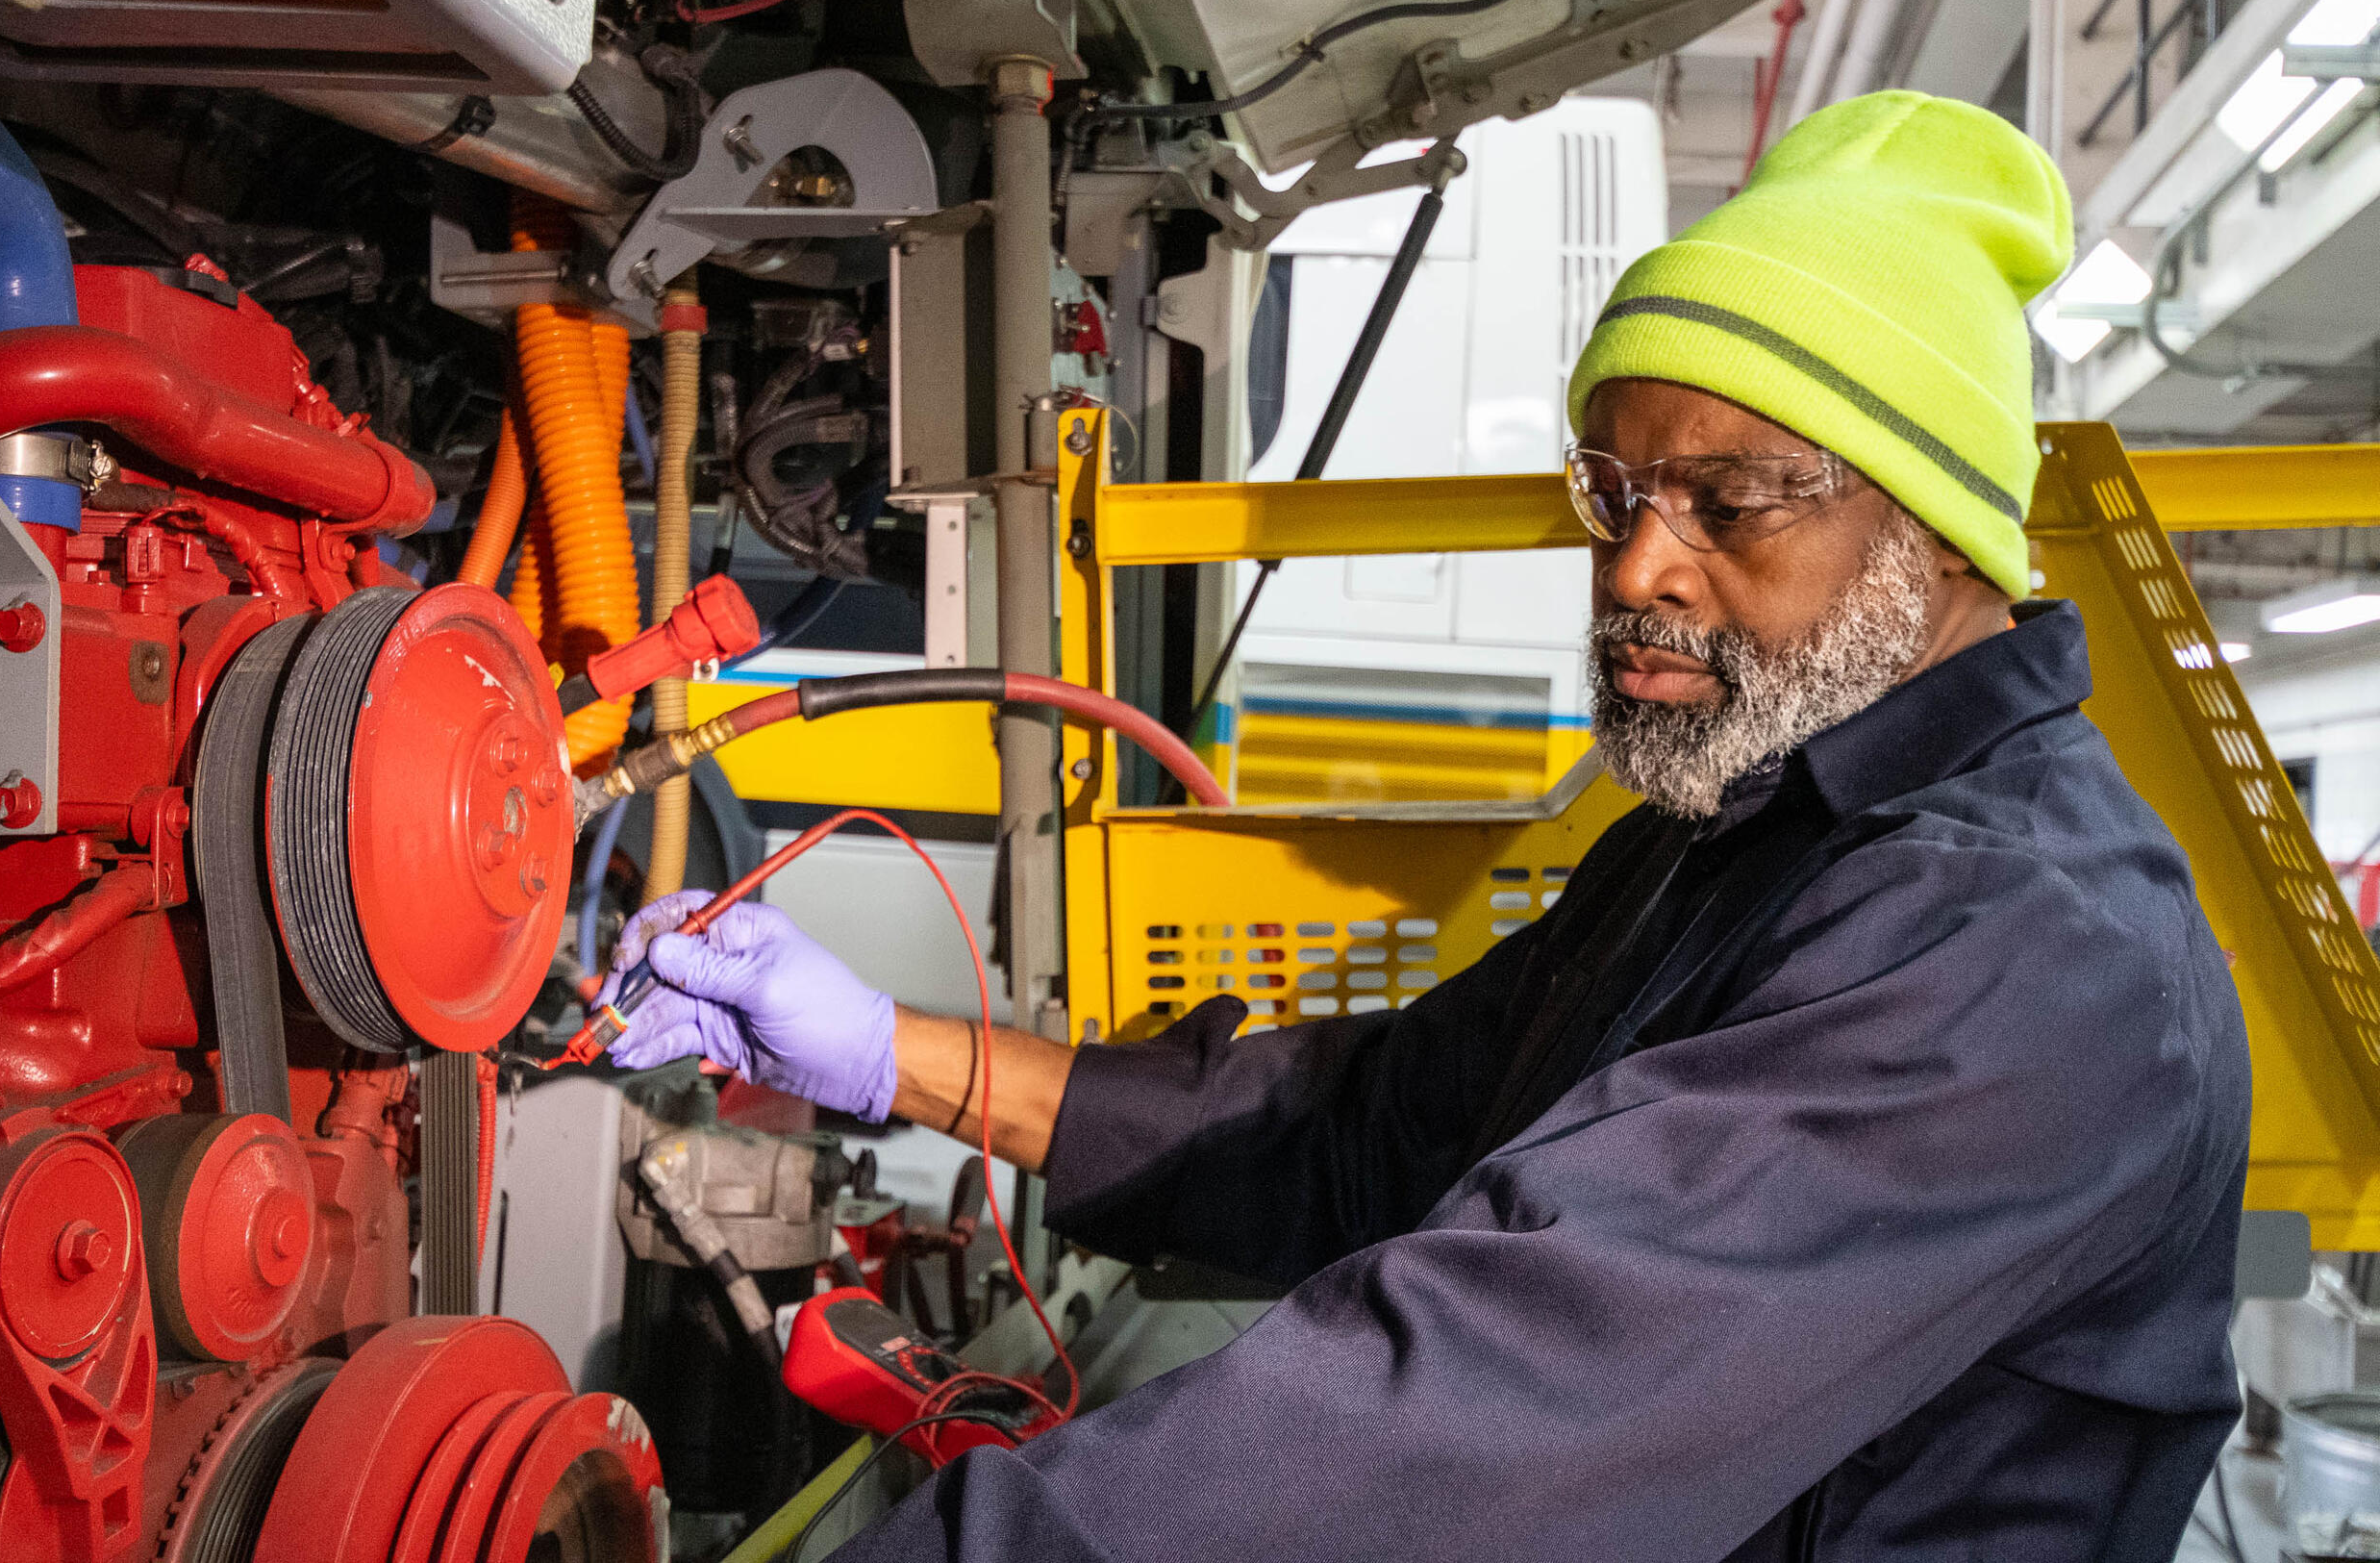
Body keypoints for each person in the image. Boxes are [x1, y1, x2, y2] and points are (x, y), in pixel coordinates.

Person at [606, 92, 2250, 1561]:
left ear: (1939, 531)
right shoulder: (1737, 828)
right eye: (1613, 493)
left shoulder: (2028, 957)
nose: (1636, 567)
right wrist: (888, 1052)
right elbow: (1375, 1129)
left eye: (1726, 502)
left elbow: (1473, 1423)